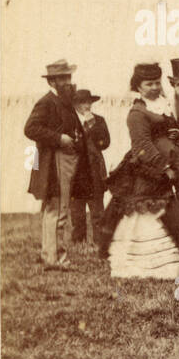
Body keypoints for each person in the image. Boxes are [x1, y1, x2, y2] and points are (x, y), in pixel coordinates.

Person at [104, 63, 179, 280]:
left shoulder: (163, 105)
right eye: (148, 84)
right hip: (152, 173)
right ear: (138, 87)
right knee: (163, 213)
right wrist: (164, 167)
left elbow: (173, 131)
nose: (153, 87)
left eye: (156, 82)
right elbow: (142, 146)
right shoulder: (137, 113)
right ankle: (164, 269)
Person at [24, 59, 84, 269]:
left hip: (65, 160)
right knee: (58, 210)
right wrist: (59, 138)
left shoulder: (65, 102)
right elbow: (30, 129)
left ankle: (50, 255)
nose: (67, 82)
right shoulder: (47, 102)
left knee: (56, 209)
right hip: (55, 161)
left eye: (68, 77)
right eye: (62, 78)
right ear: (52, 82)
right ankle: (56, 259)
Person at [69, 89, 110, 247]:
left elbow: (105, 143)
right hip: (76, 171)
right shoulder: (70, 121)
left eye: (88, 102)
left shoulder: (99, 120)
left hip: (94, 171)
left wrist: (92, 125)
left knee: (97, 211)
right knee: (77, 212)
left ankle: (99, 243)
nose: (86, 105)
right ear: (75, 105)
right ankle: (79, 242)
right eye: (82, 102)